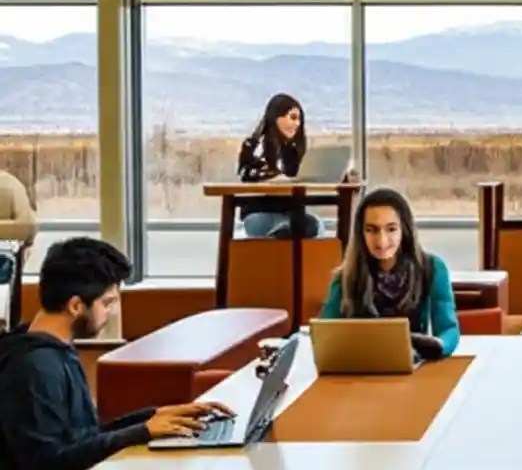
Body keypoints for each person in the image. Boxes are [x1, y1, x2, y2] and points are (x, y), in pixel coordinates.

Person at [0, 238, 232, 469]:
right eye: (107, 303)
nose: (110, 313)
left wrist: (150, 418)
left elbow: (82, 439)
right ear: (75, 306)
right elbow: (47, 462)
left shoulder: (49, 349)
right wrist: (140, 432)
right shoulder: (35, 367)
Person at [318, 187, 460, 361]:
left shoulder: (432, 268)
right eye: (371, 230)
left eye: (391, 229)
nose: (381, 240)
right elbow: (324, 334)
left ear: (404, 230)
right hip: (360, 369)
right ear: (361, 233)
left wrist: (437, 345)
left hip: (412, 368)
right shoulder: (345, 277)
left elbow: (449, 329)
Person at [236, 92, 323, 238]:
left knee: (314, 225)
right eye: (292, 118)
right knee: (306, 226)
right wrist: (276, 177)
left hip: (287, 213)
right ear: (276, 116)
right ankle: (280, 243)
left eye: (299, 119)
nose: (297, 124)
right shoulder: (255, 145)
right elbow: (249, 174)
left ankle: (285, 244)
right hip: (259, 214)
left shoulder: (291, 151)